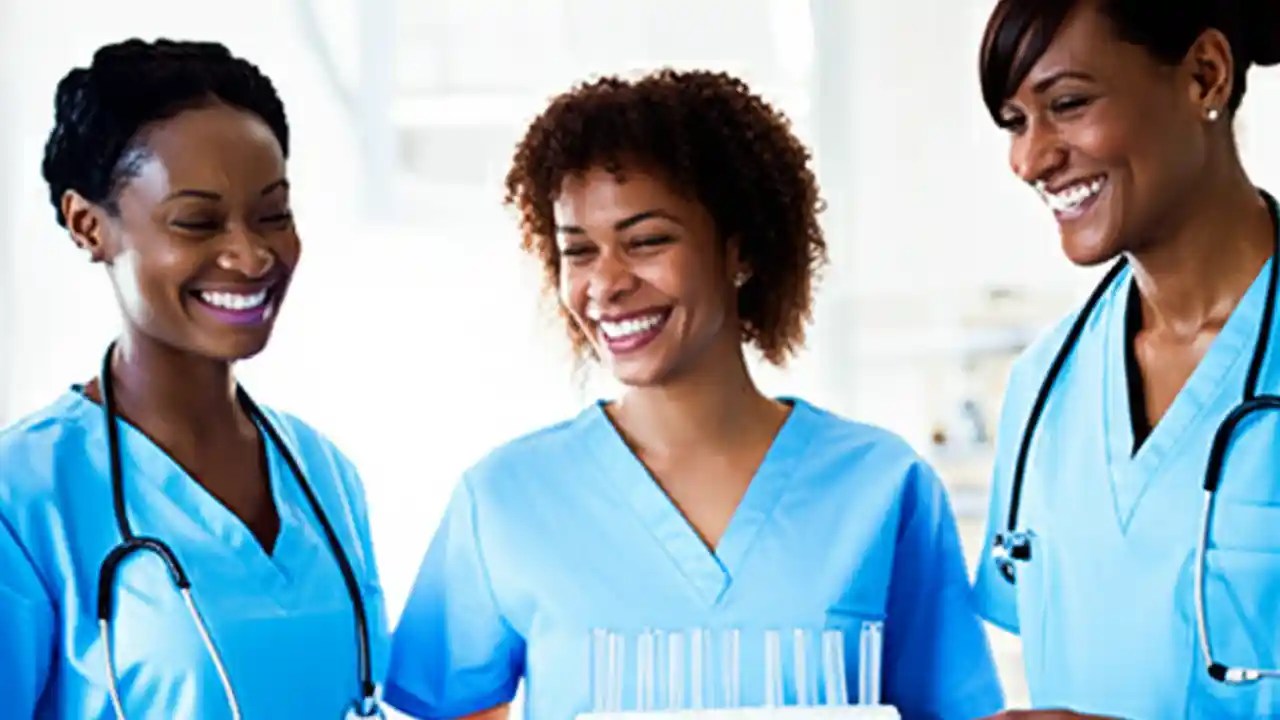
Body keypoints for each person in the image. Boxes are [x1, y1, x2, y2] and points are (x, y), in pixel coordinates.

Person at [382, 68, 1004, 720]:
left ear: (741, 250)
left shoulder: (881, 485)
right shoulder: (506, 498)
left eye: (647, 241)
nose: (607, 283)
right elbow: (446, 710)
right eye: (579, 251)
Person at [0, 39, 388, 718]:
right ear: (89, 226)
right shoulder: (26, 497)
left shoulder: (324, 474)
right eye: (197, 222)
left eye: (273, 214)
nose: (250, 253)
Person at [971, 1, 1280, 718]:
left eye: (1068, 104)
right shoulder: (1042, 388)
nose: (1029, 160)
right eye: (1016, 122)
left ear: (1205, 76)